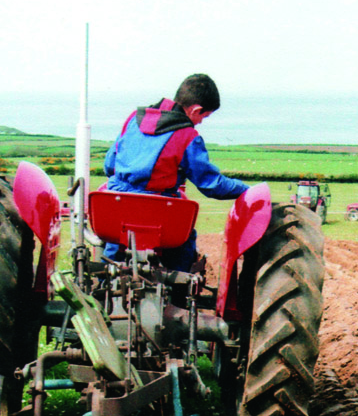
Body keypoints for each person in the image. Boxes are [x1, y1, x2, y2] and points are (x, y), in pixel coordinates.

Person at [103, 73, 249, 271]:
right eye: (203, 117)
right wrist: (245, 189)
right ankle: (178, 291)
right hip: (159, 212)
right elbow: (211, 185)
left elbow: (110, 165)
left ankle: (102, 281)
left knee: (114, 240)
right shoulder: (187, 136)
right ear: (195, 109)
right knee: (183, 241)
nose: (200, 122)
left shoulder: (134, 119)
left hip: (118, 208)